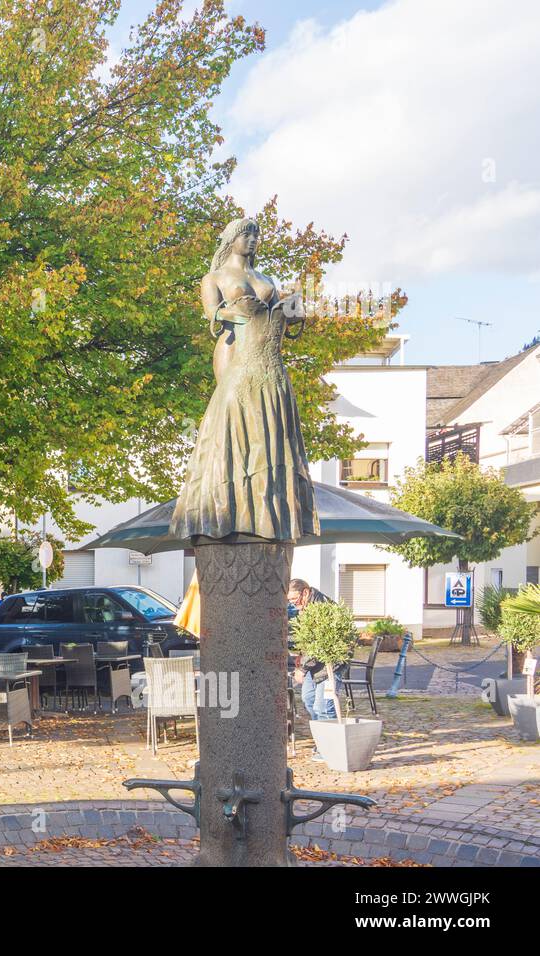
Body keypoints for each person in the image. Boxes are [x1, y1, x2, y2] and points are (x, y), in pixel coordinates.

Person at [170, 218, 320, 544]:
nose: (252, 239)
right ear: (231, 238)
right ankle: (231, 499)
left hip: (268, 356)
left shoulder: (266, 279)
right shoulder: (215, 277)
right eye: (246, 233)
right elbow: (212, 313)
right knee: (236, 425)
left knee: (266, 434)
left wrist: (294, 310)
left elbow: (283, 315)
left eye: (256, 234)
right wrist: (235, 311)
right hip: (234, 352)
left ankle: (264, 507)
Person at [289, 579, 337, 721]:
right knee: (308, 699)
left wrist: (302, 669)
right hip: (314, 664)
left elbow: (319, 644)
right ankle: (321, 737)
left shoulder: (320, 607)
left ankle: (329, 742)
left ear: (305, 592)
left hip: (330, 665)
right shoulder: (306, 607)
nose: (292, 603)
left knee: (323, 708)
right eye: (289, 601)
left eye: (294, 599)